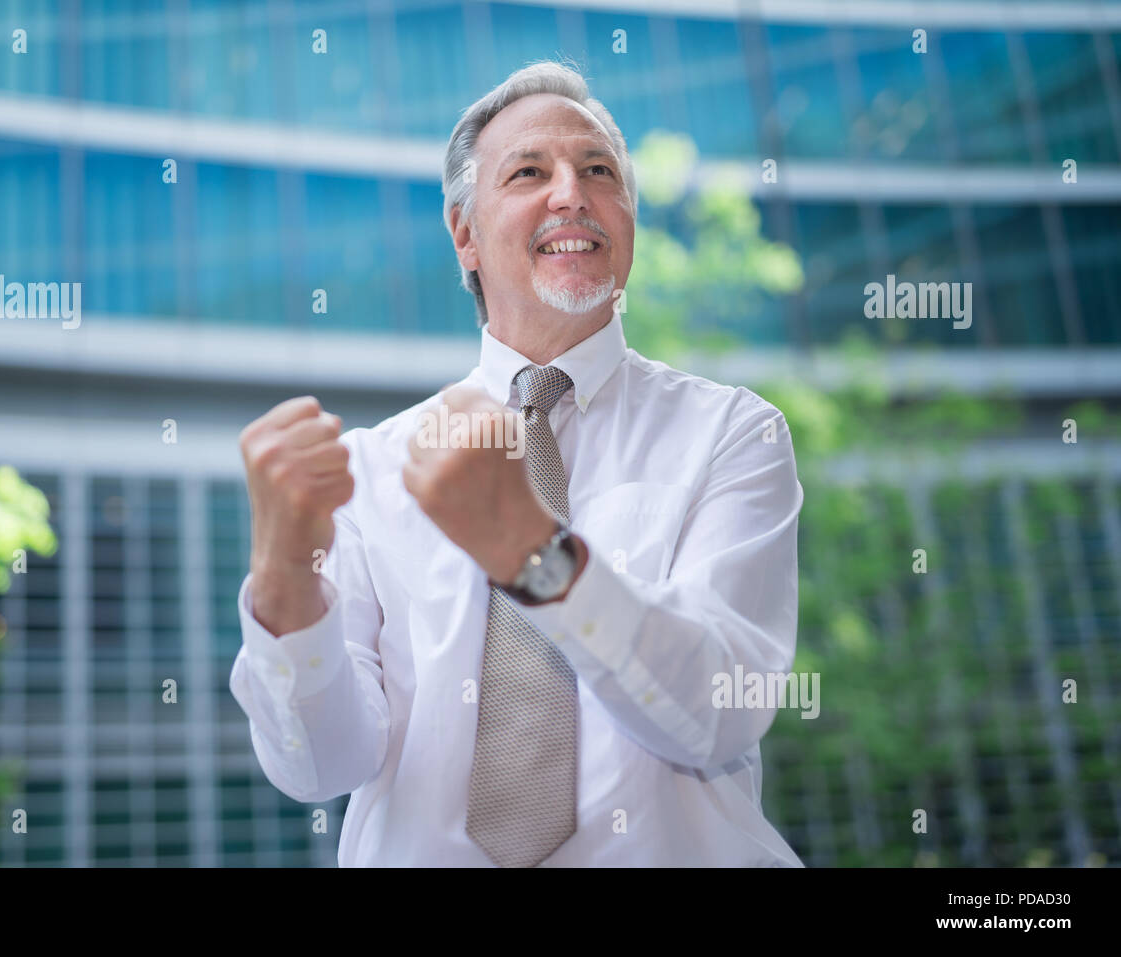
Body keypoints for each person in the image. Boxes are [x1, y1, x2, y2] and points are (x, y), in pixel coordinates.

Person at [230, 60, 804, 867]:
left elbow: (719, 713)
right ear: (464, 234)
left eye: (598, 171)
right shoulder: (367, 471)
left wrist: (532, 557)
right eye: (530, 171)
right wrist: (285, 579)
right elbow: (320, 765)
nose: (572, 192)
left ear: (627, 215)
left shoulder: (733, 433)